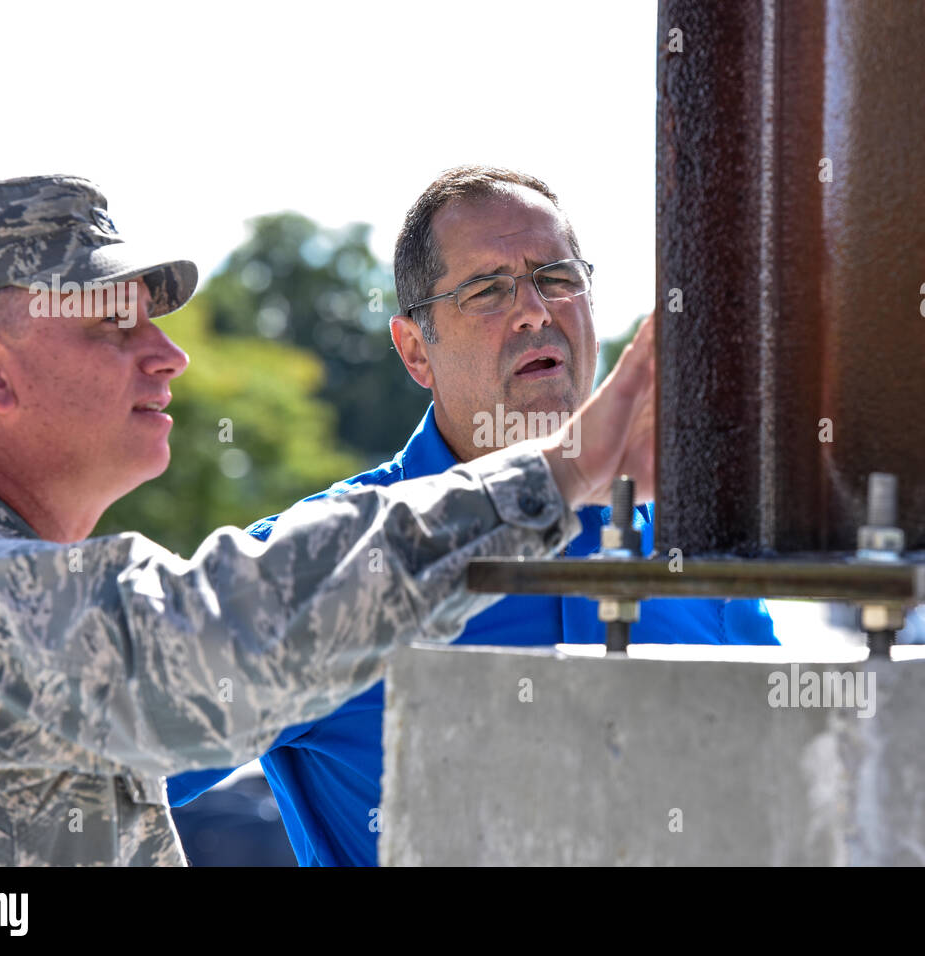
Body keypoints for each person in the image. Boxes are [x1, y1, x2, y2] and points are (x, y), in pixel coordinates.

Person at [0, 174, 655, 865]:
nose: (169, 354)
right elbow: (217, 637)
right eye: (115, 324)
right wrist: (560, 474)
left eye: (557, 277)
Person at [168, 166, 774, 866]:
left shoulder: (697, 550)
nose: (535, 311)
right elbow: (109, 761)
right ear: (415, 350)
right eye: (488, 289)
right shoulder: (323, 568)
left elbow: (773, 798)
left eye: (557, 277)